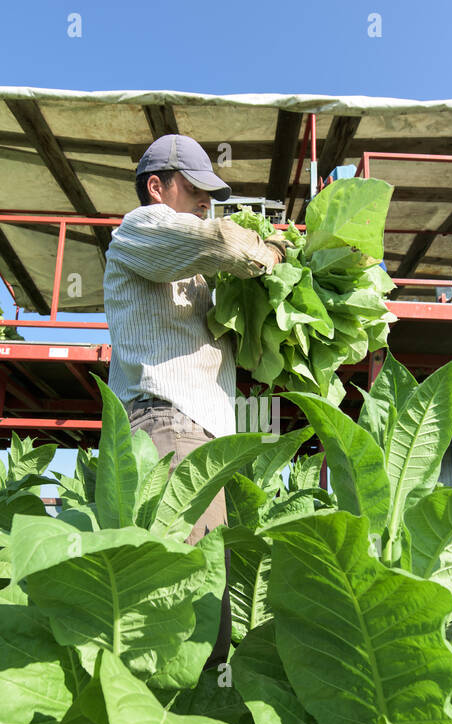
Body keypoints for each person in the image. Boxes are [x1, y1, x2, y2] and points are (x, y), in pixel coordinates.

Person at [103, 133, 291, 668]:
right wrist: (271, 252)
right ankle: (179, 722)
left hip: (196, 437)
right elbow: (227, 244)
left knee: (206, 593)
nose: (207, 203)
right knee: (190, 602)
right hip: (167, 427)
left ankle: (192, 714)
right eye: (196, 190)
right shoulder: (141, 227)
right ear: (157, 188)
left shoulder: (189, 270)